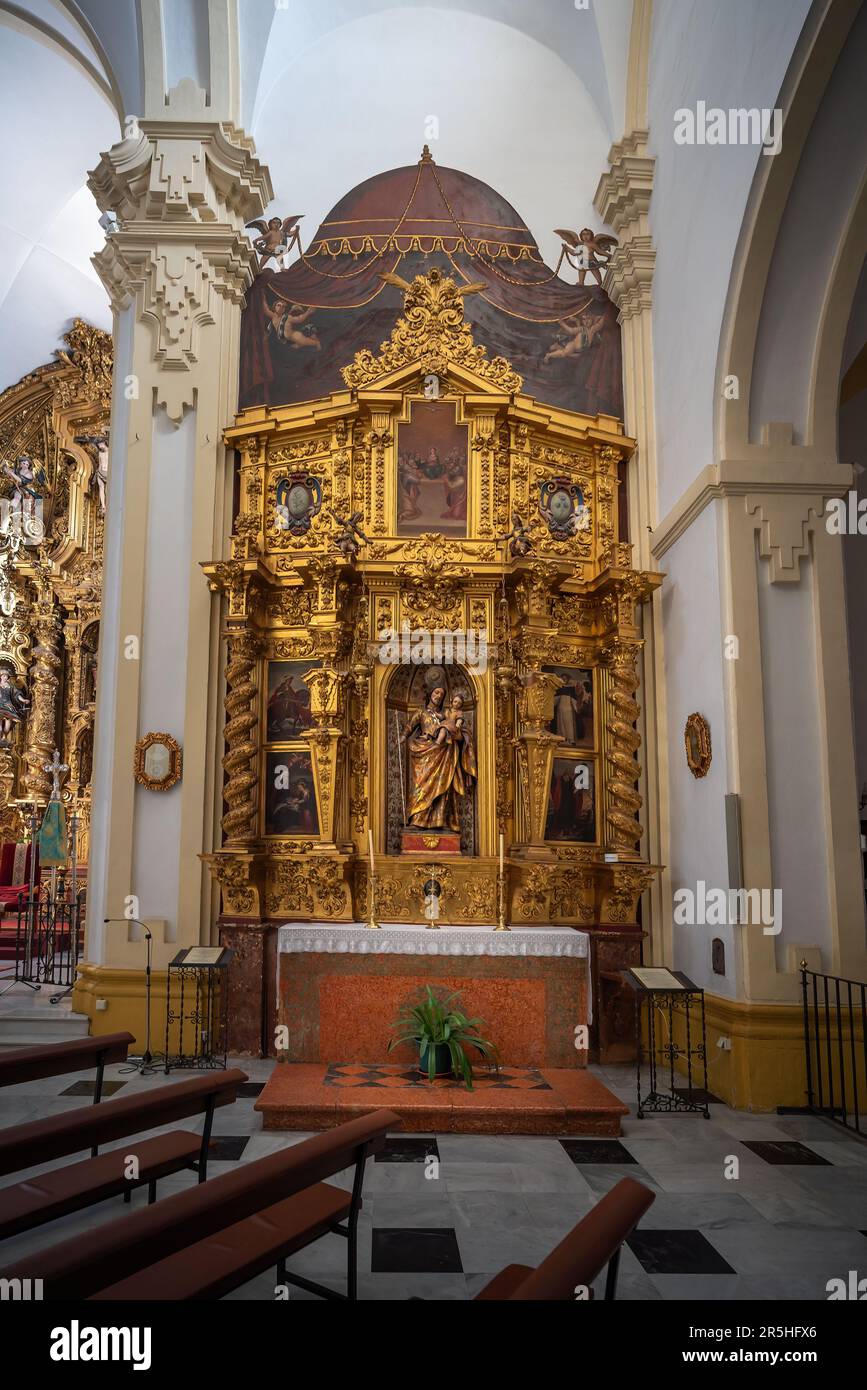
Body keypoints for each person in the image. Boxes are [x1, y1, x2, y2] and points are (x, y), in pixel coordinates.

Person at [404, 683, 476, 831]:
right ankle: (417, 819)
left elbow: (460, 732)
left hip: (444, 753)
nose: (438, 696)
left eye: (441, 695)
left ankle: (439, 821)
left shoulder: (447, 715)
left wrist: (456, 734)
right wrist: (403, 736)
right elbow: (410, 726)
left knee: (442, 787)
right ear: (430, 693)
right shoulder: (422, 712)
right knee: (422, 785)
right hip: (425, 753)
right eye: (436, 692)